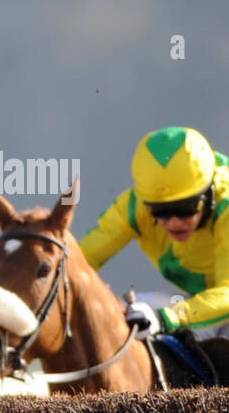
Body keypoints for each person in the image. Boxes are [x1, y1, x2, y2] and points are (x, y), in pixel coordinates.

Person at [79, 126, 229, 341]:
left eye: (185, 208)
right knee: (117, 315)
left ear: (209, 193)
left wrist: (169, 318)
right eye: (161, 211)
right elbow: (80, 259)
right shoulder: (134, 208)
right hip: (197, 303)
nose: (174, 222)